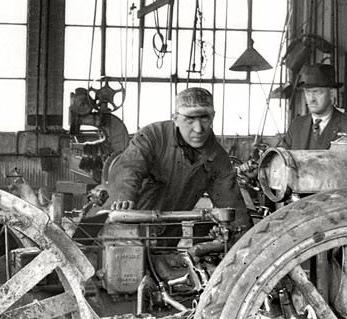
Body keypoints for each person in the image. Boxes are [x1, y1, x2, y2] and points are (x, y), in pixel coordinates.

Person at [103, 84, 244, 227]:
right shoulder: (153, 136)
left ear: (213, 116)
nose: (198, 129)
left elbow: (234, 210)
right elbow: (130, 167)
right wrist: (123, 196)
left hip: (166, 238)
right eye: (190, 119)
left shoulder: (217, 158)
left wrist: (249, 243)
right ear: (175, 119)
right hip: (120, 227)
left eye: (204, 118)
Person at [283, 61, 347, 151]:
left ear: (332, 93)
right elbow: (283, 161)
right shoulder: (296, 126)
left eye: (317, 92)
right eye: (308, 92)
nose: (312, 99)